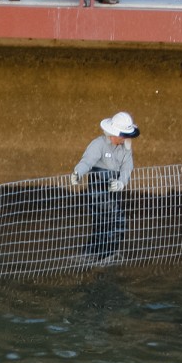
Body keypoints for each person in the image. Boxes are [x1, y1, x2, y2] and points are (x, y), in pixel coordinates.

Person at [70, 111, 139, 262]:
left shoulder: (125, 148)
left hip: (113, 186)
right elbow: (87, 162)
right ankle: (100, 254)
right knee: (105, 220)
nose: (124, 139)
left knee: (112, 221)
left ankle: (103, 253)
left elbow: (128, 166)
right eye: (122, 135)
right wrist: (78, 173)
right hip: (98, 185)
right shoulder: (98, 144)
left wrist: (121, 182)